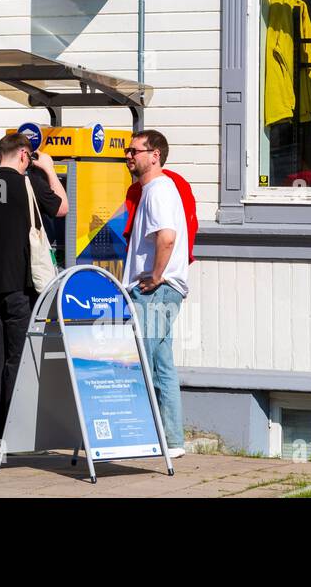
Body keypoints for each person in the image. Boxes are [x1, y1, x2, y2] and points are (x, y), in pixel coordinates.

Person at [0, 132, 67, 452]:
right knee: (17, 360)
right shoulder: (29, 184)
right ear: (24, 156)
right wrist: (48, 169)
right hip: (21, 287)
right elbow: (62, 208)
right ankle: (12, 433)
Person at [122, 129, 190, 458]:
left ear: (155, 155)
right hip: (164, 290)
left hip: (156, 291)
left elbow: (167, 237)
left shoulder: (158, 190)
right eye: (128, 151)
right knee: (162, 365)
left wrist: (156, 276)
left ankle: (143, 436)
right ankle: (172, 441)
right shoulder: (155, 189)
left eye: (134, 151)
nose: (128, 156)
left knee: (143, 363)